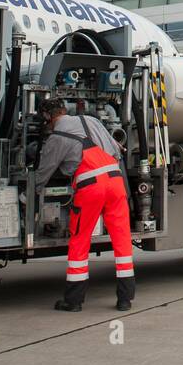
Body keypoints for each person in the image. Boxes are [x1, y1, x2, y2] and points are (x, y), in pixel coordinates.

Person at [35, 97, 135, 311]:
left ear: (47, 118)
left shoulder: (57, 137)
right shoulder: (92, 120)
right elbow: (116, 151)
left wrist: (28, 197)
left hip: (91, 187)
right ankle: (125, 299)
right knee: (122, 239)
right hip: (116, 182)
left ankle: (73, 301)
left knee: (80, 240)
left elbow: (43, 172)